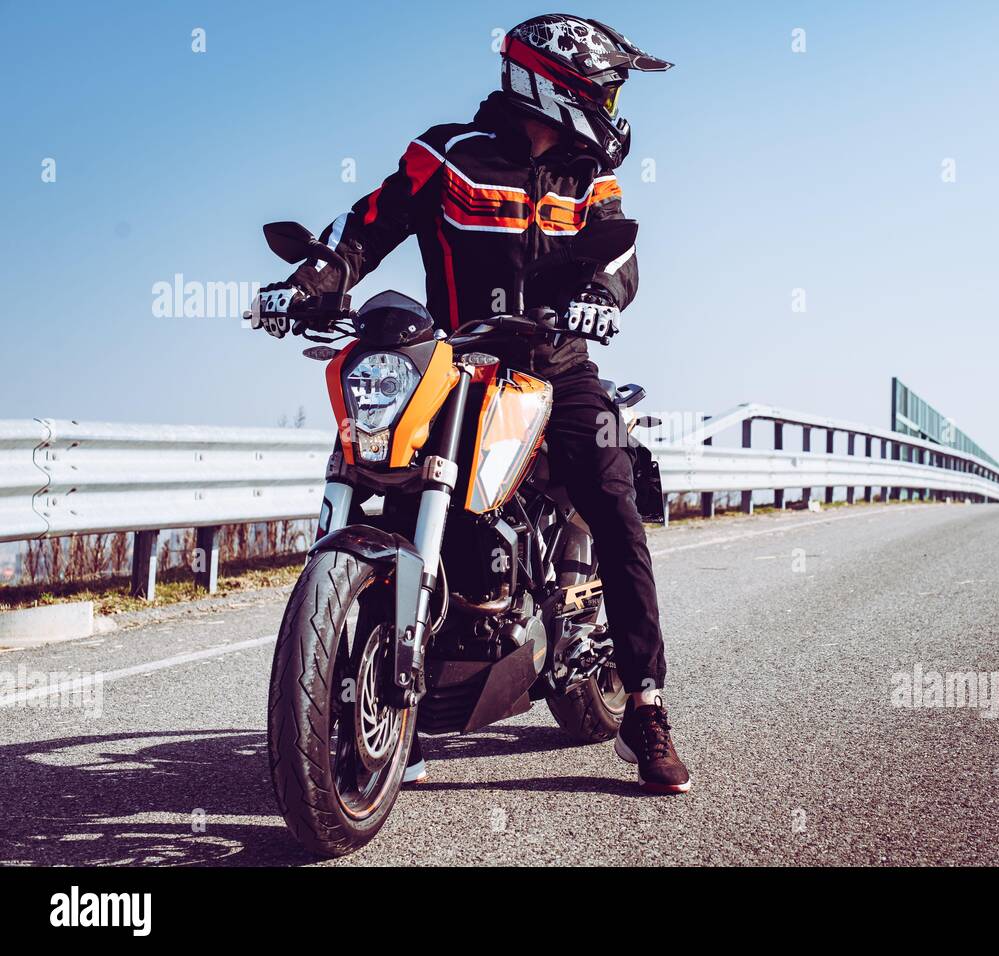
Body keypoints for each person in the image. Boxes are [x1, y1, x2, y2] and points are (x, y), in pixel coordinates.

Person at [254, 14, 689, 794]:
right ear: (554, 85)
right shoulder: (448, 155)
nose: (614, 104)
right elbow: (368, 225)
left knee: (614, 502)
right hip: (456, 363)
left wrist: (597, 294)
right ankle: (389, 695)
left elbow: (620, 251)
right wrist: (312, 282)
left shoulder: (588, 177)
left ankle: (648, 710)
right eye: (605, 87)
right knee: (389, 487)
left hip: (557, 368)